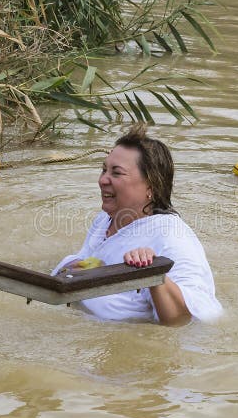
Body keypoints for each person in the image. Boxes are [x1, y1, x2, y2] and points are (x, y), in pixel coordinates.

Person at [52, 124, 223, 326]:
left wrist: (153, 273)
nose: (102, 180)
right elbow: (87, 261)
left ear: (150, 185)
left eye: (116, 173)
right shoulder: (104, 219)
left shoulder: (171, 237)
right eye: (103, 170)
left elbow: (193, 315)